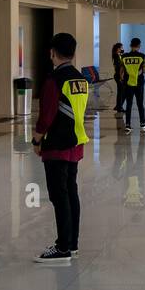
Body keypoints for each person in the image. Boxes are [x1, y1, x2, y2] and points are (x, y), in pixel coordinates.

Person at [32, 33, 89, 264]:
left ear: (52, 53)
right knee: (71, 192)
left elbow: (46, 115)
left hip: (57, 144)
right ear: (73, 53)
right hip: (76, 142)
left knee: (59, 195)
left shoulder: (54, 80)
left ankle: (63, 247)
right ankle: (72, 244)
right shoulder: (80, 79)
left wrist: (37, 140)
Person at [119, 38, 145, 133]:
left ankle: (128, 124)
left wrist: (123, 79)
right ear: (139, 46)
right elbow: (144, 70)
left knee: (129, 104)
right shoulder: (142, 56)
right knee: (140, 103)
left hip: (128, 83)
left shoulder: (124, 57)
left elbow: (121, 71)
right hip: (139, 83)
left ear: (130, 45)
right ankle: (142, 122)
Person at [109, 40, 125, 112]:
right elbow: (118, 66)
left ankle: (118, 106)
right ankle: (119, 107)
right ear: (118, 48)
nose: (122, 49)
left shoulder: (118, 55)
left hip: (118, 75)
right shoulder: (116, 56)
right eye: (121, 48)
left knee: (121, 91)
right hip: (118, 75)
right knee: (121, 92)